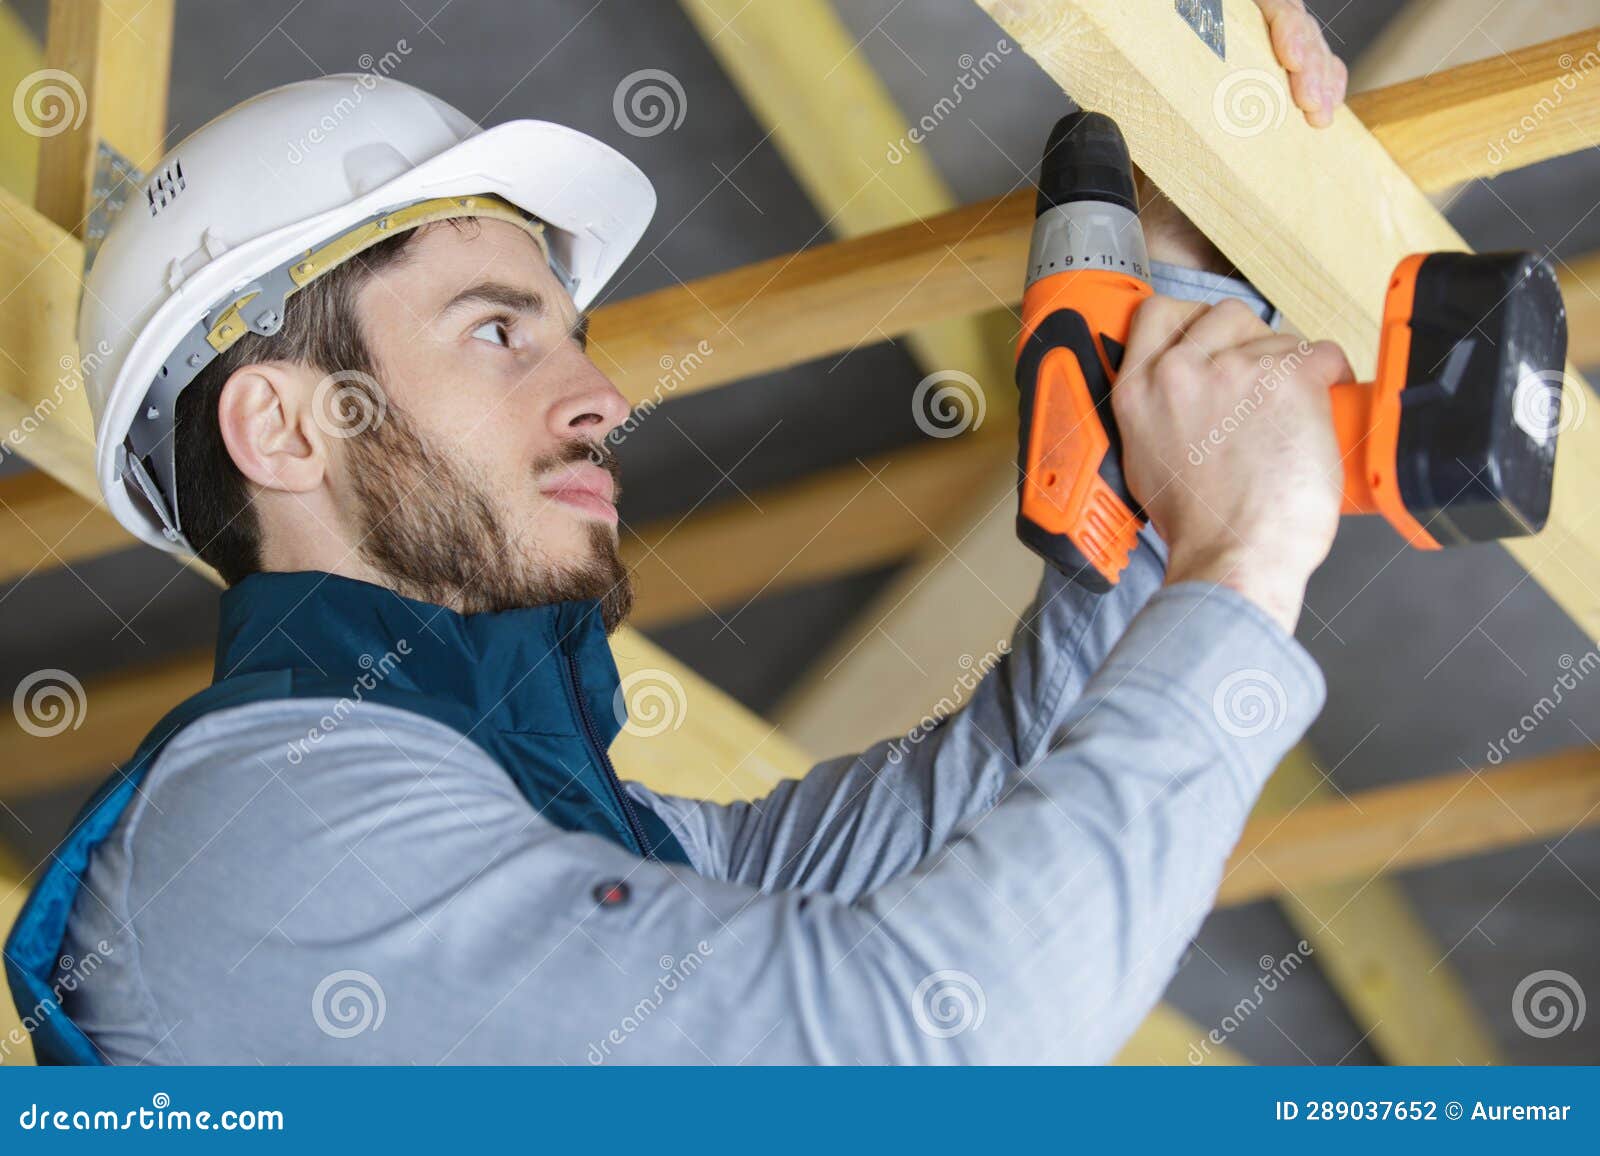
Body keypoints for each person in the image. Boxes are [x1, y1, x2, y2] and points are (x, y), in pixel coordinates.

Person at [8, 5, 1351, 1063]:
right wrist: (1245, 563)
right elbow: (922, 1046)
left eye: (569, 337)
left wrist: (1183, 282)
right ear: (286, 429)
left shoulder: (618, 844)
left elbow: (1018, 790)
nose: (599, 396)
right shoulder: (269, 832)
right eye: (497, 332)